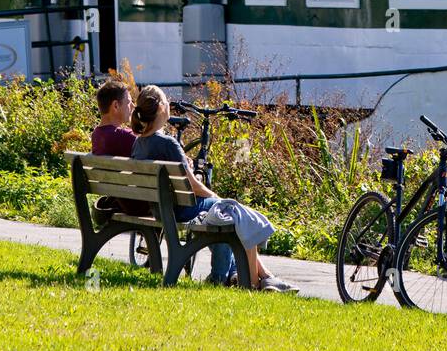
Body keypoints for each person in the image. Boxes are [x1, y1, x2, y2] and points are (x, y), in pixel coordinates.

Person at [130, 85, 295, 292]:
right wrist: (215, 196)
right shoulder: (168, 144)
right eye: (167, 100)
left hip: (160, 209)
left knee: (225, 212)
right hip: (181, 210)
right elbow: (191, 184)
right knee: (230, 209)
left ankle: (257, 276)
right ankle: (250, 280)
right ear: (162, 107)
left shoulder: (139, 144)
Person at [91, 78, 147, 216]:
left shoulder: (97, 135)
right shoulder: (125, 137)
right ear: (115, 106)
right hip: (140, 204)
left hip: (120, 200)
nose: (133, 106)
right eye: (128, 102)